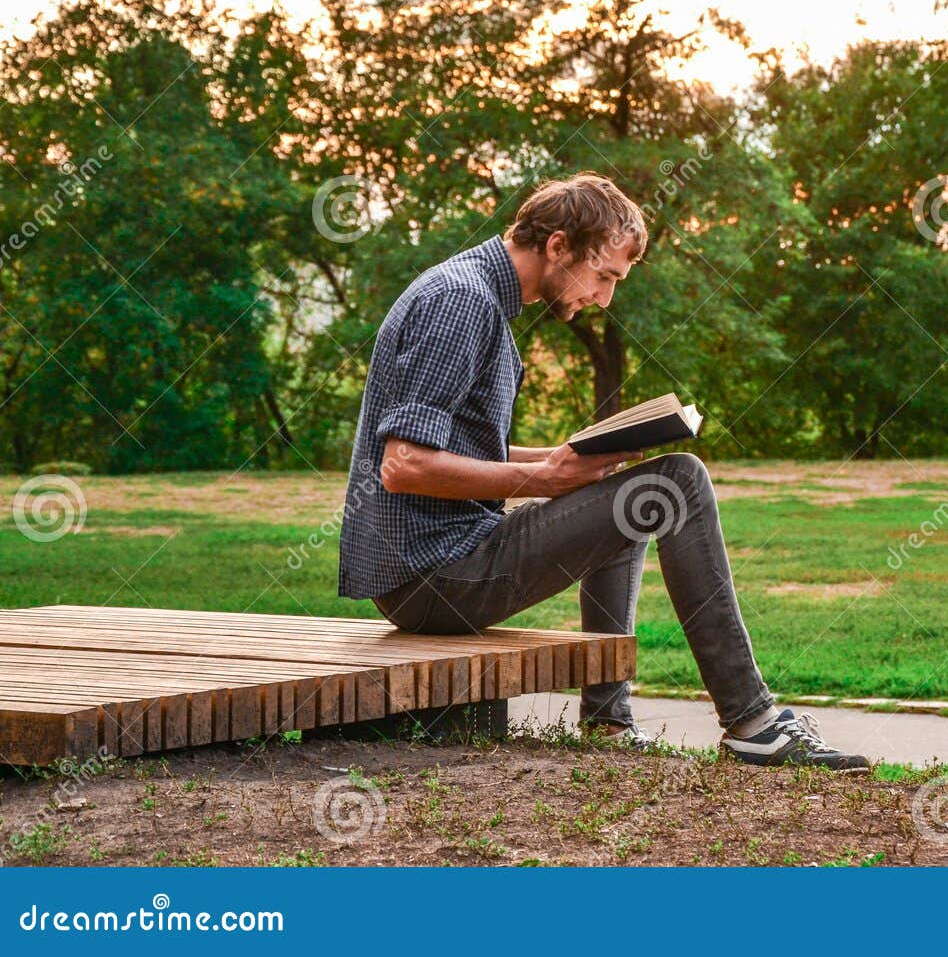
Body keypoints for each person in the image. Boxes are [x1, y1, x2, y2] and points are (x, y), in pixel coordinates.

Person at [336, 171, 868, 771]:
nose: (605, 297)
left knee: (632, 495)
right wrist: (547, 480)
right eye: (604, 276)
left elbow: (457, 445)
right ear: (559, 245)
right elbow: (404, 465)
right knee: (677, 482)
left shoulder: (474, 294)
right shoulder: (463, 302)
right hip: (432, 577)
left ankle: (607, 722)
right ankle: (753, 723)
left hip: (437, 566)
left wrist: (570, 461)